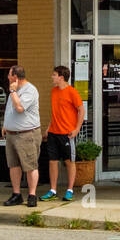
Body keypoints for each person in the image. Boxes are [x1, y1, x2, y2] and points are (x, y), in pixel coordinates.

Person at [40, 65, 86, 202]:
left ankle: (70, 190)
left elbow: (81, 111)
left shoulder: (72, 92)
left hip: (67, 133)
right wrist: (48, 128)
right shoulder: (54, 91)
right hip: (53, 132)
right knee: (52, 161)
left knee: (69, 161)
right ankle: (53, 190)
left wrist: (77, 129)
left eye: (54, 75)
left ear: (61, 77)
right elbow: (55, 113)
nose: (52, 77)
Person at [2, 65, 42, 207]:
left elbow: (19, 108)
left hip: (26, 134)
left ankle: (32, 195)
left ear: (15, 77)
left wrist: (12, 91)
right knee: (13, 165)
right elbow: (10, 109)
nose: (7, 77)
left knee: (30, 165)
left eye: (9, 74)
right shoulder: (14, 90)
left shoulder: (30, 90)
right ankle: (16, 194)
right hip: (12, 134)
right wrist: (5, 125)